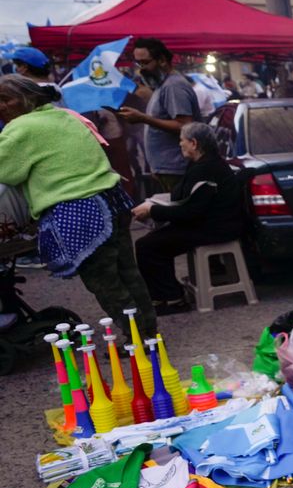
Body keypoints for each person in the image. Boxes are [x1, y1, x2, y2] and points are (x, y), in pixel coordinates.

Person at [0, 74, 157, 337]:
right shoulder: (65, 115)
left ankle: (139, 340)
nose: (1, 106)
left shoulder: (21, 128)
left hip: (83, 212)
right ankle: (149, 332)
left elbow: (6, 172)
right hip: (113, 200)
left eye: (6, 100)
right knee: (128, 274)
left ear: (28, 99)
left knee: (106, 283)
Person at [131, 122, 244, 316]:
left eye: (182, 140)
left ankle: (172, 298)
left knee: (147, 246)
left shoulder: (206, 168)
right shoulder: (201, 164)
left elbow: (192, 212)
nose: (180, 144)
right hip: (209, 222)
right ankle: (165, 294)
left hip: (216, 227)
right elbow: (187, 199)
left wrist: (153, 211)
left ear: (193, 143)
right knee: (154, 241)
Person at [116, 38, 201, 193]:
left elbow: (185, 126)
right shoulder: (163, 86)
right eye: (138, 63)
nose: (141, 69)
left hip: (177, 168)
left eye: (145, 63)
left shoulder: (174, 86)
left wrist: (143, 118)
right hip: (168, 168)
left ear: (162, 60)